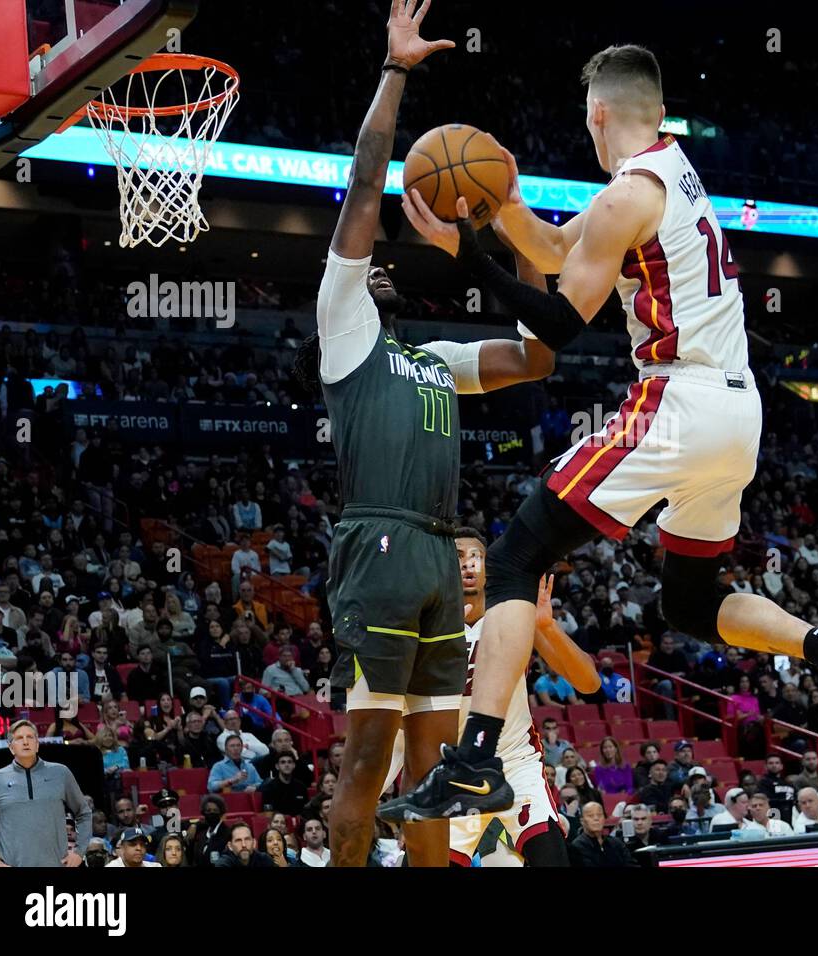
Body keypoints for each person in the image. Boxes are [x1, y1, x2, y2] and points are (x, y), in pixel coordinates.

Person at [397, 43, 818, 817]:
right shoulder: (672, 174)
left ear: (597, 113)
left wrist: (466, 253)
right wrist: (503, 209)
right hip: (739, 415)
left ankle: (474, 760)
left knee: (512, 562)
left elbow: (563, 321)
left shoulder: (626, 195)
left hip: (679, 402)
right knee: (691, 605)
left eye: (584, 116)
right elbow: (566, 251)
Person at [297, 0, 555, 868]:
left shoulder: (434, 355)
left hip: (441, 556)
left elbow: (535, 356)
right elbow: (369, 182)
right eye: (362, 259)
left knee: (438, 772)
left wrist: (516, 223)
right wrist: (397, 69)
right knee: (366, 767)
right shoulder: (345, 329)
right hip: (377, 544)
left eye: (378, 260)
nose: (375, 261)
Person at [379, 535, 596, 867]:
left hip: (515, 764)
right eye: (458, 556)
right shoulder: (421, 629)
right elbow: (400, 726)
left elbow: (588, 682)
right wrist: (374, 791)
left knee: (551, 857)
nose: (468, 562)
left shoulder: (514, 612)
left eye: (476, 555)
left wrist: (547, 627)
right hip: (450, 772)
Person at [0, 720, 88, 867]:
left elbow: (84, 813)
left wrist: (79, 852)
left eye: (30, 737)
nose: (25, 742)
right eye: (19, 738)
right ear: (11, 747)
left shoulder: (61, 773)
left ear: (37, 744)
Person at [568, 801, 633, 867]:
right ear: (582, 821)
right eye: (590, 815)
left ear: (604, 819)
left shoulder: (616, 843)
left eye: (599, 815)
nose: (596, 818)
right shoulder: (576, 847)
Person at [260, 751, 309, 815]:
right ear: (277, 766)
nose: (286, 765)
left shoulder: (301, 787)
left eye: (289, 762)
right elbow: (268, 813)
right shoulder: (269, 788)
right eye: (283, 762)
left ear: (294, 765)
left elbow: (306, 810)